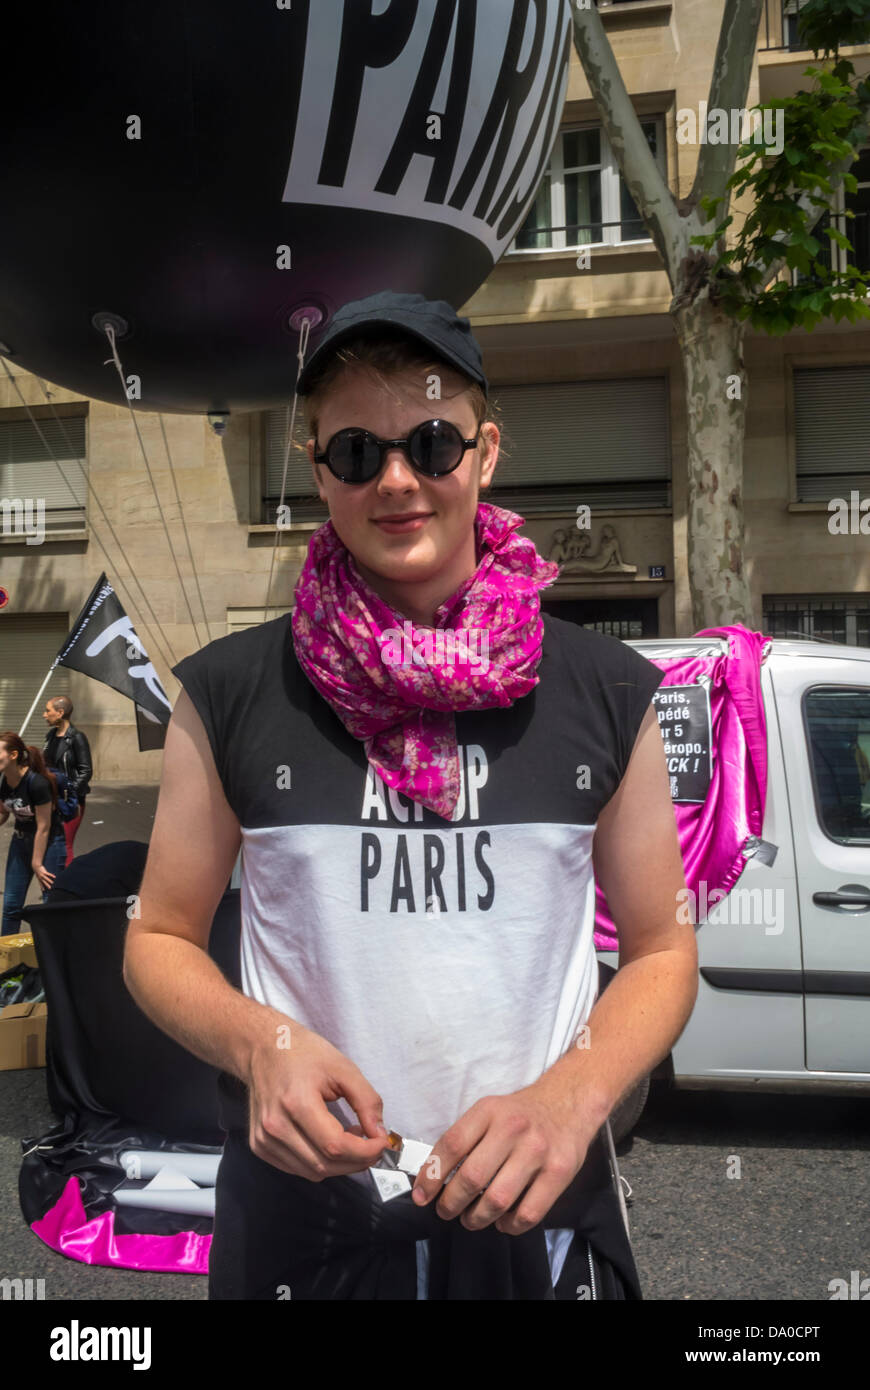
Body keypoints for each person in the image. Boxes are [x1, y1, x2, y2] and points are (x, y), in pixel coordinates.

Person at [124, 291, 698, 1300]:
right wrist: (264, 1047)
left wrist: (574, 1099)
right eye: (356, 452)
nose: (397, 480)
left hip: (539, 1226)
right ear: (317, 471)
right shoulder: (226, 693)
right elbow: (157, 935)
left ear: (485, 453)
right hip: (307, 1239)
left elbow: (662, 950)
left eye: (431, 443)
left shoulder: (608, 692)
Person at [0, 733, 67, 935]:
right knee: (11, 905)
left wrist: (37, 863)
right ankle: (6, 959)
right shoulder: (5, 781)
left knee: (49, 905)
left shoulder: (37, 783)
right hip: (20, 843)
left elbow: (44, 826)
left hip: (50, 845)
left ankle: (51, 957)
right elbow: (3, 813)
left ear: (13, 755)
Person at [42, 695, 92, 866]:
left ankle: (64, 886)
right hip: (51, 799)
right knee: (51, 844)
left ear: (60, 712)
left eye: (48, 710)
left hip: (70, 800)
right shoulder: (50, 736)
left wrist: (69, 794)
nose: (44, 714)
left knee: (65, 844)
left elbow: (86, 771)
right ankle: (55, 885)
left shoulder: (77, 737)